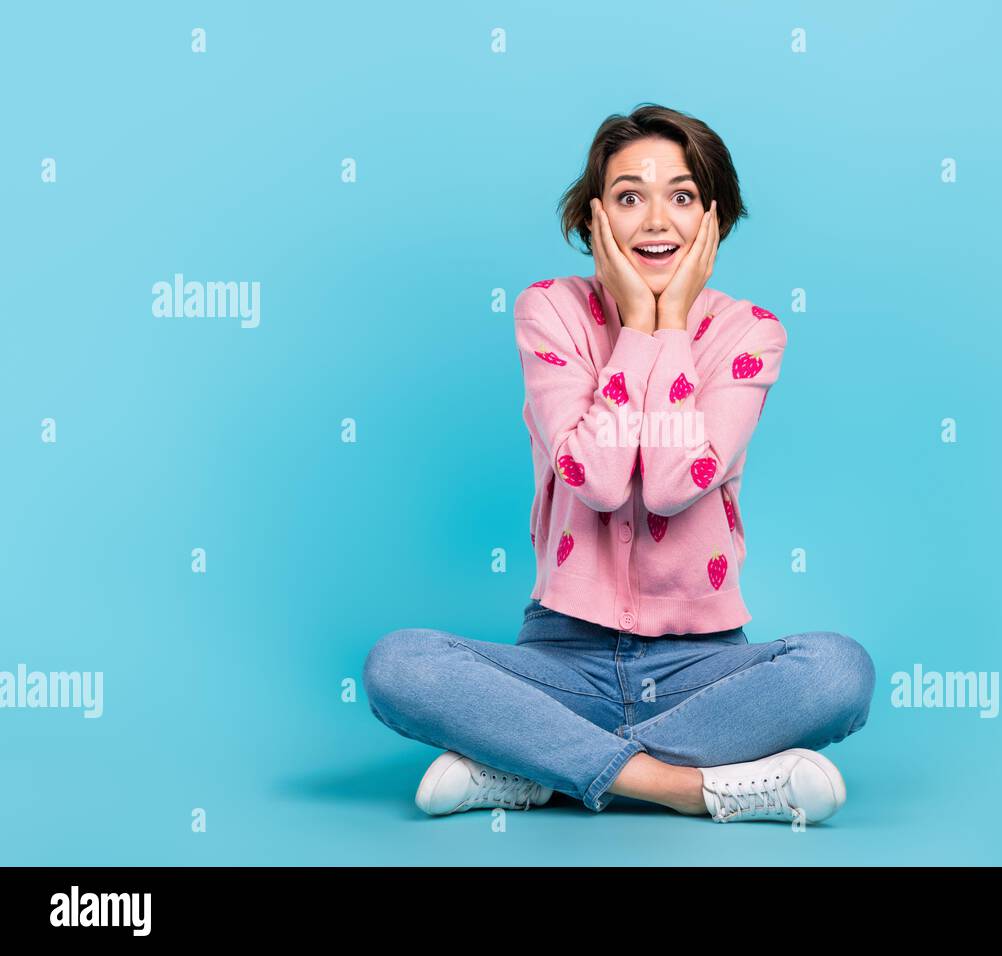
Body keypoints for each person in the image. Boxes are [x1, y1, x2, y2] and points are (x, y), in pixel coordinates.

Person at [363, 104, 875, 824]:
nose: (656, 221)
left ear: (713, 219)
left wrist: (668, 325)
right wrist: (639, 325)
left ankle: (534, 764)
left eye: (682, 196)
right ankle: (689, 787)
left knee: (840, 671)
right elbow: (598, 483)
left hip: (701, 665)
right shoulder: (550, 312)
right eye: (630, 196)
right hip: (560, 658)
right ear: (596, 218)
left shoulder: (748, 334)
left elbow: (670, 488)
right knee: (398, 665)